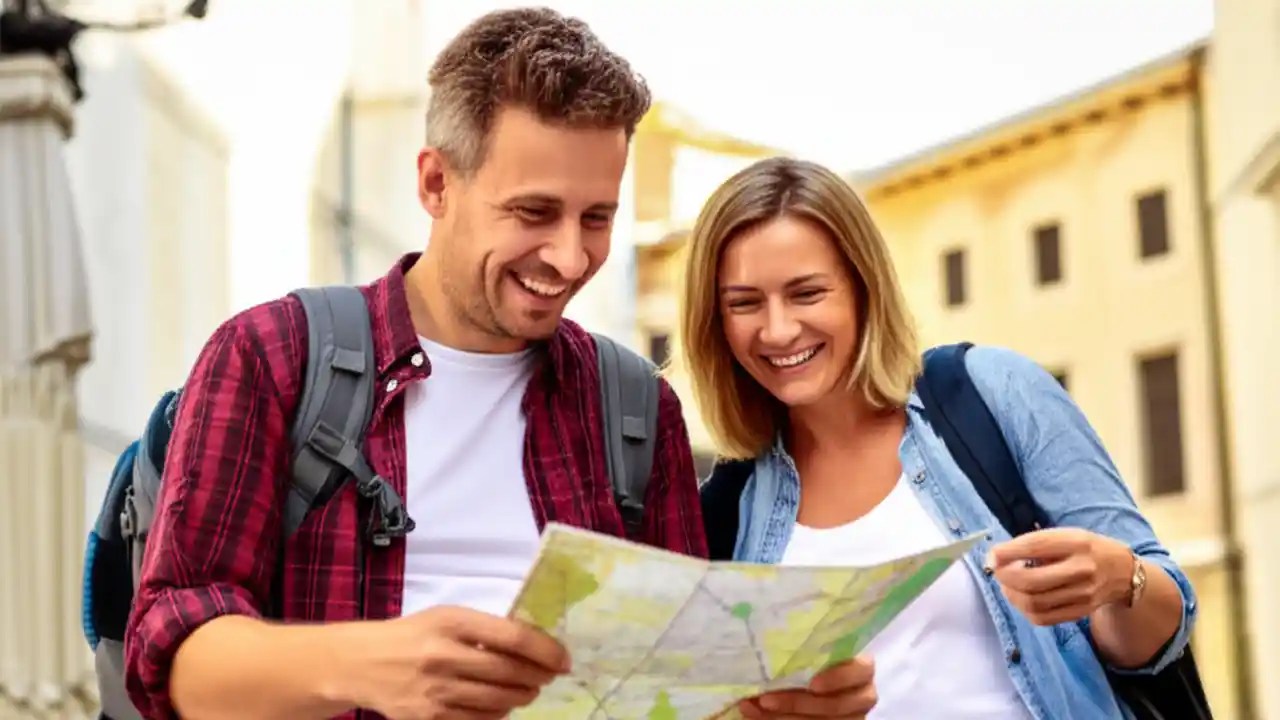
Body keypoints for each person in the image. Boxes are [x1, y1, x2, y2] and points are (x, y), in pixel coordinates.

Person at [123, 9, 874, 720]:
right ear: (436, 184)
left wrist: (772, 705)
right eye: (533, 213)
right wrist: (369, 664)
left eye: (596, 218)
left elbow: (675, 690)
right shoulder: (272, 356)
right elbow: (173, 661)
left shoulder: (635, 407)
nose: (570, 257)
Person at [679, 157, 1198, 719]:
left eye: (807, 293)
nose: (778, 330)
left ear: (862, 288)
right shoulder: (724, 514)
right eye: (744, 303)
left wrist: (1120, 579)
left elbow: (1158, 638)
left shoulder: (994, 392)